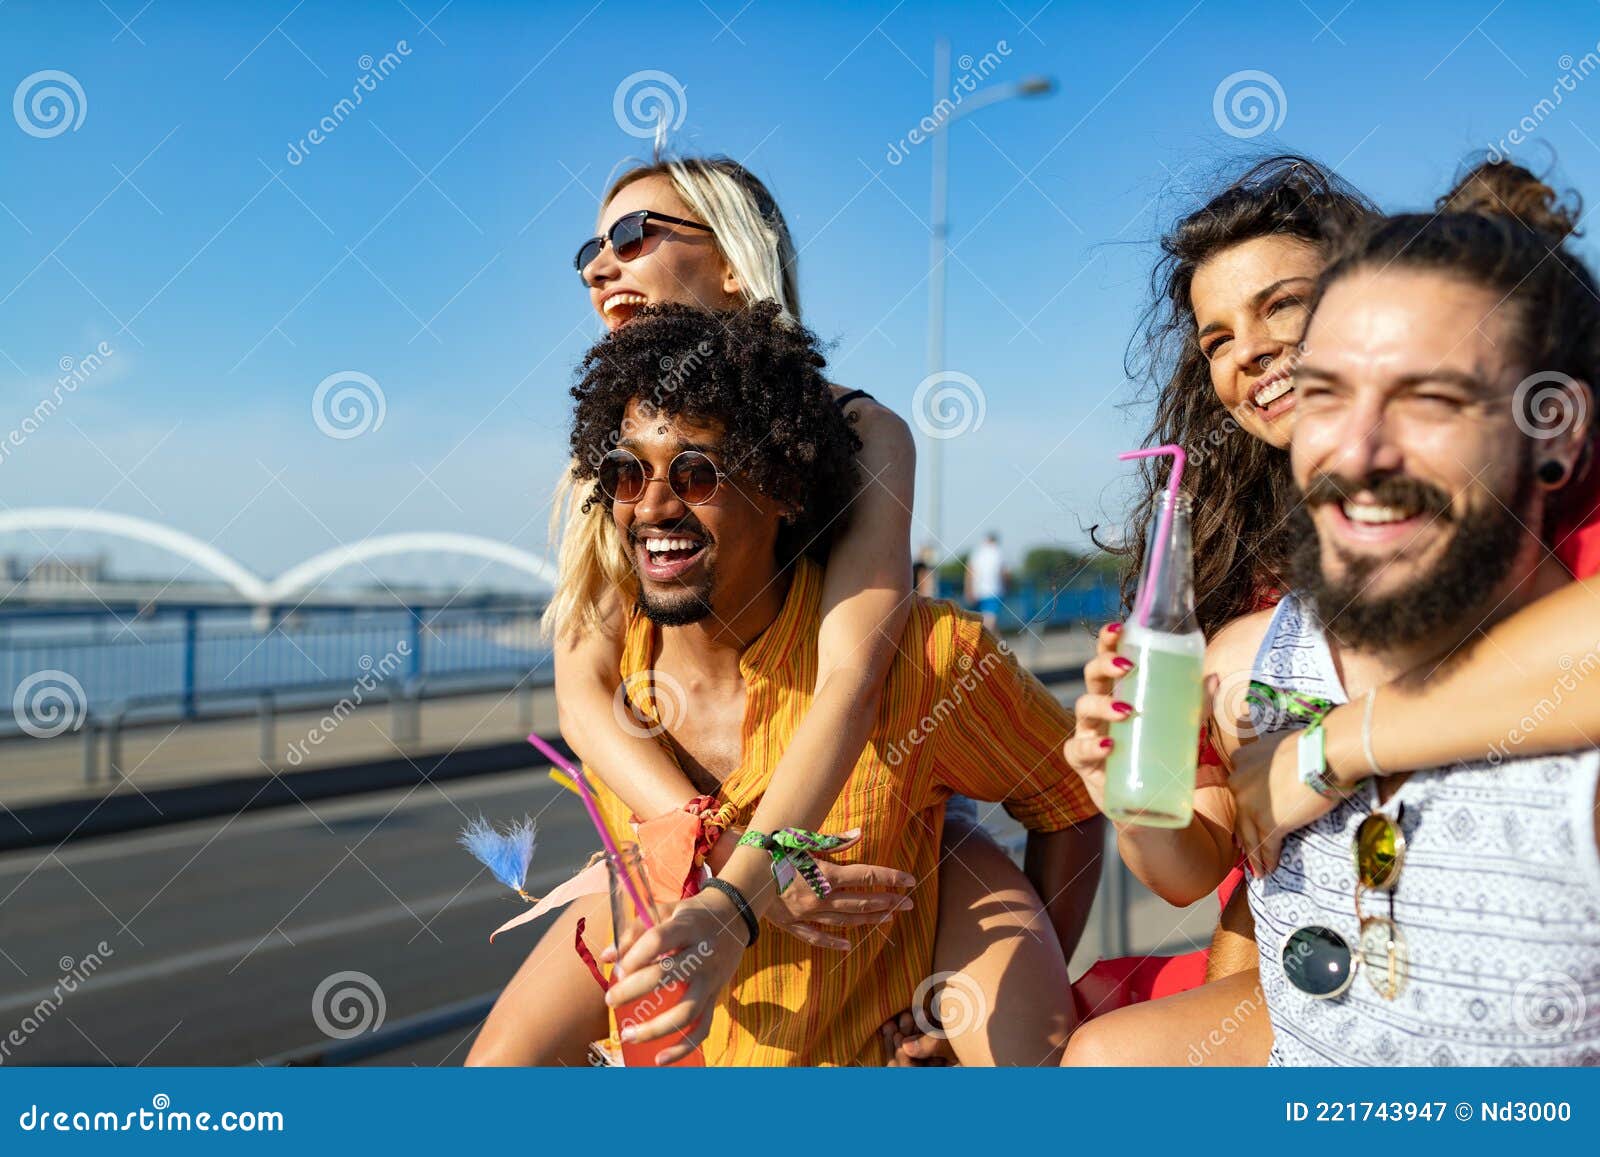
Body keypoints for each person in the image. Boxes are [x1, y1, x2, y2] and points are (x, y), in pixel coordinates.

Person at [470, 154, 1094, 1067]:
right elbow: (584, 693)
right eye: (590, 249)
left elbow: (853, 673)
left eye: (633, 236)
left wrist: (743, 894)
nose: (600, 268)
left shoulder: (860, 433)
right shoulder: (611, 451)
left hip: (863, 789)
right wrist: (731, 858)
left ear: (733, 259)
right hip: (706, 839)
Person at [1212, 190, 1600, 1064]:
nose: (1357, 453)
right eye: (1323, 394)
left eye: (1428, 398)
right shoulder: (1259, 661)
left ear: (1555, 430)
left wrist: (1331, 749)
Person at [1051, 156, 1376, 1066]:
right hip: (1316, 956)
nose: (1250, 353)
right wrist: (1131, 792)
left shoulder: (1486, 494)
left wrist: (1326, 749)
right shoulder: (1229, 579)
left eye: (1284, 306)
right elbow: (1190, 868)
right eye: (1218, 339)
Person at [965, 531, 1005, 631]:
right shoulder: (998, 552)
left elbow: (969, 572)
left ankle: (994, 640)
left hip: (978, 592)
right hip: (994, 591)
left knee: (984, 621)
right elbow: (1004, 573)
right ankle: (989, 640)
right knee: (989, 622)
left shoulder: (977, 553)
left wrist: (968, 590)